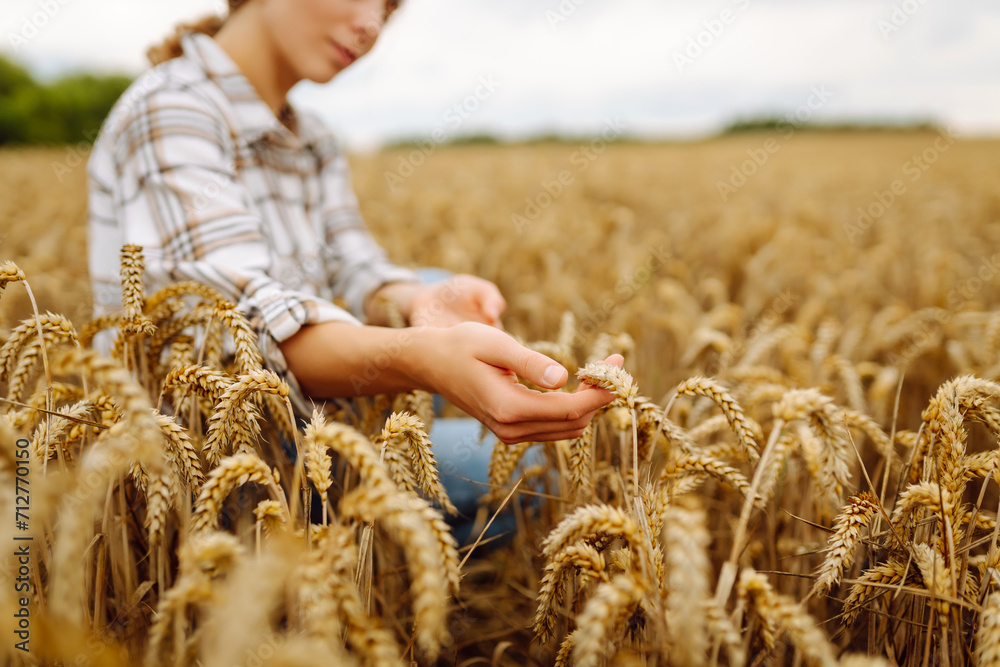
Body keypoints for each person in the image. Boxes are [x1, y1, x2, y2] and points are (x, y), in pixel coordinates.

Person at [87, 0, 621, 488]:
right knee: (531, 472)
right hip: (221, 458)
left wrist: (415, 301)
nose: (371, 25)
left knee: (436, 290)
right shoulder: (171, 110)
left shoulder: (312, 136)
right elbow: (243, 327)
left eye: (388, 9)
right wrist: (420, 358)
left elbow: (354, 265)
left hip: (309, 419)